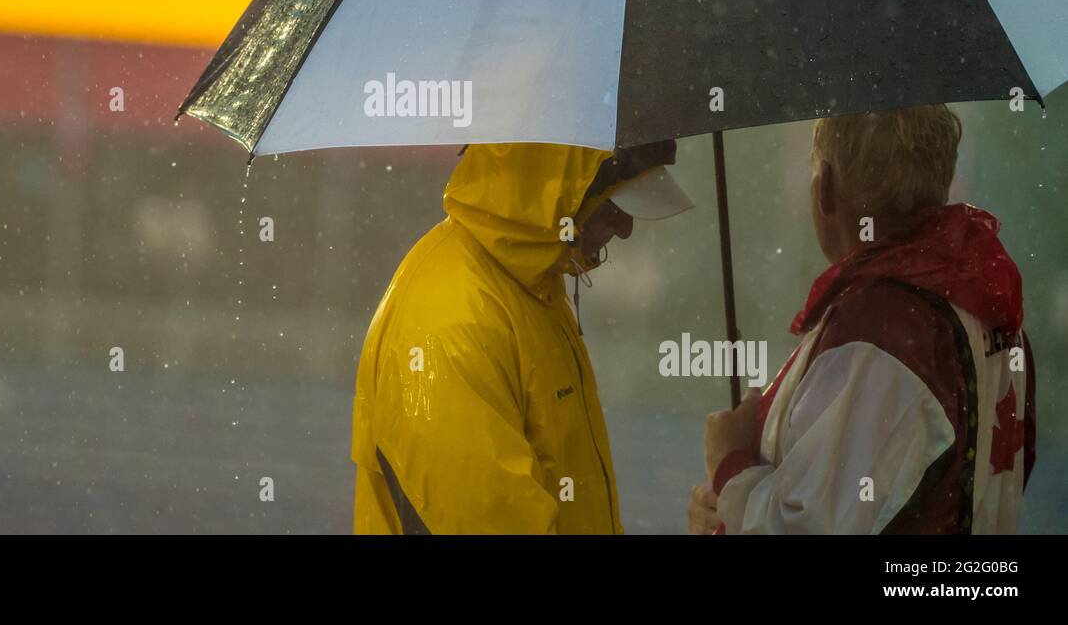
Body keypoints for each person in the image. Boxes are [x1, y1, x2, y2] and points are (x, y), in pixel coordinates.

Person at [689, 105, 1036, 535]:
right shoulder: (990, 307)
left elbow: (812, 529)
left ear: (826, 189)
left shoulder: (883, 332)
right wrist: (725, 510)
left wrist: (729, 467)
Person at [352, 140, 692, 534]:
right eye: (615, 208)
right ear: (562, 194)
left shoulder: (529, 290)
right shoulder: (452, 323)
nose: (626, 229)